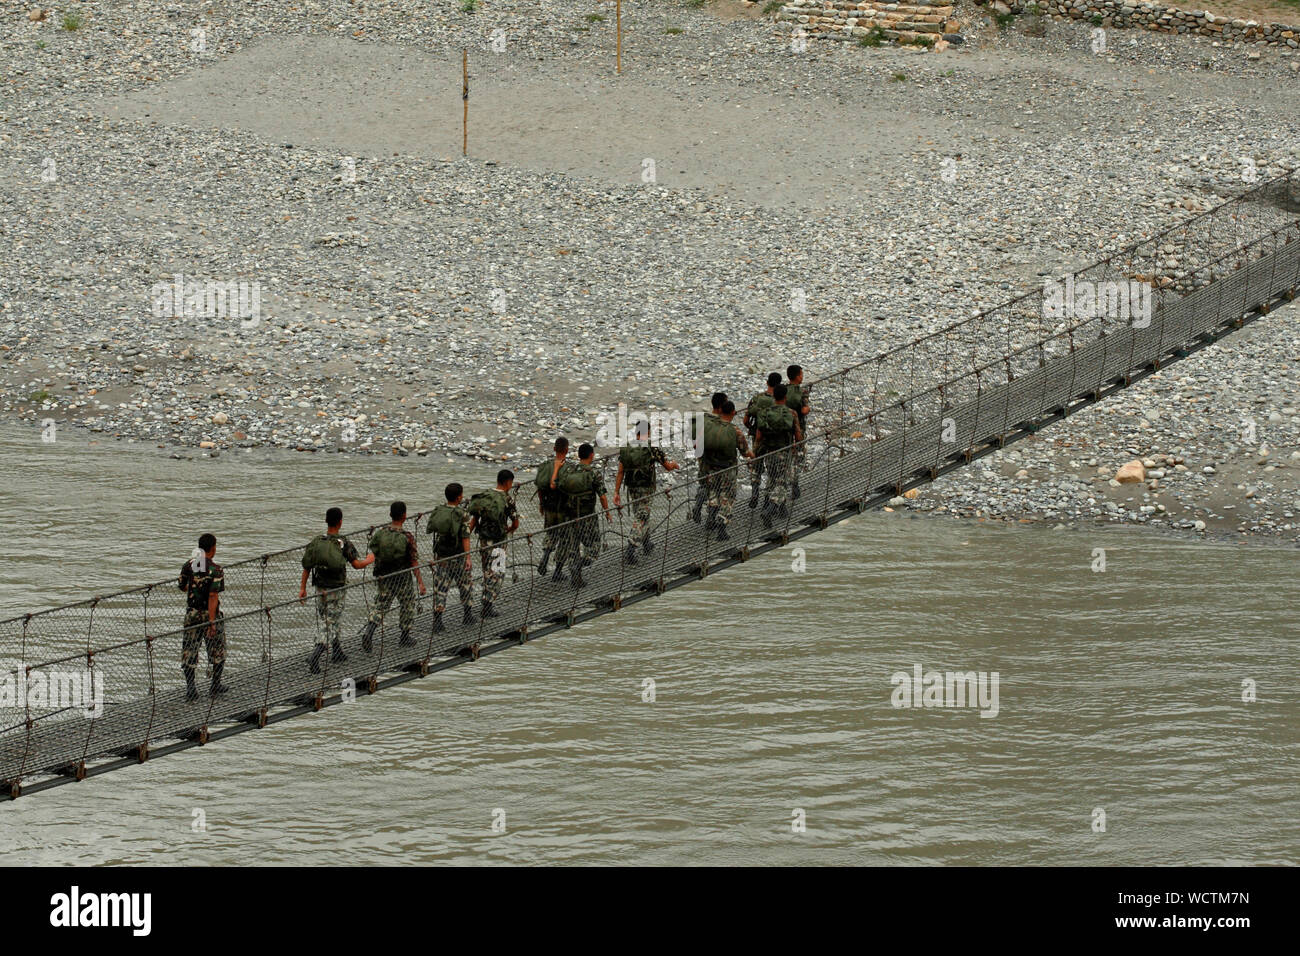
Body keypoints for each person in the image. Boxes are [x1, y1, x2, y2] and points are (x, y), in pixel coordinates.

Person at [299, 507, 374, 673]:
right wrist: (369, 559)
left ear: (326, 521)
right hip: (337, 590)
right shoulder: (343, 542)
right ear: (340, 522)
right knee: (330, 623)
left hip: (320, 589)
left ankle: (337, 651)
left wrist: (302, 588)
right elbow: (356, 565)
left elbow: (307, 567)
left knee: (329, 619)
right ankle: (315, 655)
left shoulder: (316, 542)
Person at [358, 501, 427, 651]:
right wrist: (420, 582)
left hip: (384, 576)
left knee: (381, 606)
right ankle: (404, 637)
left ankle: (369, 633)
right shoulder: (407, 537)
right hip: (402, 577)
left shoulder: (381, 533)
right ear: (404, 516)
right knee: (407, 605)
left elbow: (374, 552)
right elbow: (414, 561)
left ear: (390, 515)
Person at [614, 416, 679, 564]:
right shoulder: (651, 447)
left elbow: (620, 472)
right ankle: (631, 548)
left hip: (632, 488)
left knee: (642, 514)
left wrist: (616, 492)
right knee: (642, 517)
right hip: (647, 489)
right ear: (648, 432)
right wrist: (674, 464)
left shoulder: (626, 448)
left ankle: (646, 543)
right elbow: (667, 467)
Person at [553, 442, 610, 588]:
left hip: (569, 517)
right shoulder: (593, 473)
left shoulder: (568, 471)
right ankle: (583, 562)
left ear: (578, 456)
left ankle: (576, 576)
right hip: (588, 517)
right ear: (592, 455)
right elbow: (602, 496)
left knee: (573, 547)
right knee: (594, 545)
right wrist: (608, 512)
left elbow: (556, 485)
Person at [178, 533, 227, 702]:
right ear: (213, 548)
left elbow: (182, 586)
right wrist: (212, 621)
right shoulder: (216, 569)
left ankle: (191, 689)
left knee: (189, 651)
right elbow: (213, 596)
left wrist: (195, 590)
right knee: (217, 650)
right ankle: (215, 685)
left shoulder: (189, 565)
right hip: (209, 614)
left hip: (192, 614)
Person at [467, 469, 520, 619]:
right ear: (508, 482)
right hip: (499, 542)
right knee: (497, 573)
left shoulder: (484, 496)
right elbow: (515, 523)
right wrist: (509, 530)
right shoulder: (507, 499)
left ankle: (485, 601)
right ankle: (488, 605)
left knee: (486, 571)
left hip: (484, 540)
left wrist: (465, 538)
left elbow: (474, 520)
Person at [425, 484, 475, 632]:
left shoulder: (439, 510)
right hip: (458, 555)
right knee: (465, 584)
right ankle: (467, 615)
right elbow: (466, 537)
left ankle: (438, 621)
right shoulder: (462, 514)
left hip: (442, 557)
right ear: (459, 497)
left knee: (441, 588)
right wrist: (468, 558)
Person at [701, 400, 754, 540]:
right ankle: (722, 529)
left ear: (719, 411)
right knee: (727, 497)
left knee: (713, 493)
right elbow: (745, 452)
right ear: (732, 412)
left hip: (711, 468)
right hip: (728, 470)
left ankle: (711, 518)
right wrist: (754, 456)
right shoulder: (735, 431)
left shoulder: (709, 427)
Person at [754, 384, 802, 526]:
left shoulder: (765, 412)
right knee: (781, 483)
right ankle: (769, 510)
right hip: (784, 452)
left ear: (773, 397)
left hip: (769, 452)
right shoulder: (791, 413)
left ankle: (773, 506)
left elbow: (758, 437)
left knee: (772, 478)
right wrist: (797, 444)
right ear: (785, 397)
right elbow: (798, 436)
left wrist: (758, 453)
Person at [744, 372, 782, 509]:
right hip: (773, 440)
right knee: (773, 469)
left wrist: (752, 429)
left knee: (756, 466)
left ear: (767, 382)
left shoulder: (756, 398)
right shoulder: (780, 400)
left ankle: (755, 493)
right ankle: (767, 498)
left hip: (757, 438)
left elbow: (746, 420)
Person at [534, 437, 569, 577]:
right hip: (564, 508)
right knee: (565, 538)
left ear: (554, 449)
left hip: (549, 507)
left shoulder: (544, 466)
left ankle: (545, 556)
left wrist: (542, 504)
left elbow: (540, 488)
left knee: (551, 534)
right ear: (567, 450)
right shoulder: (569, 468)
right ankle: (558, 571)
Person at [690, 392, 727, 523]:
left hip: (703, 458)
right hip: (717, 461)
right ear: (722, 406)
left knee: (704, 483)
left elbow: (695, 443)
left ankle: (698, 505)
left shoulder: (702, 419)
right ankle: (711, 519)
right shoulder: (722, 423)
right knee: (716, 488)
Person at [785, 365, 811, 501]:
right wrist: (808, 408)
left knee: (785, 457)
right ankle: (795, 483)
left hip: (784, 431)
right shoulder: (802, 392)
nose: (802, 376)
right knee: (798, 458)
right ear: (796, 376)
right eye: (801, 374)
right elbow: (804, 410)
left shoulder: (782, 390)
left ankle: (784, 482)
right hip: (798, 430)